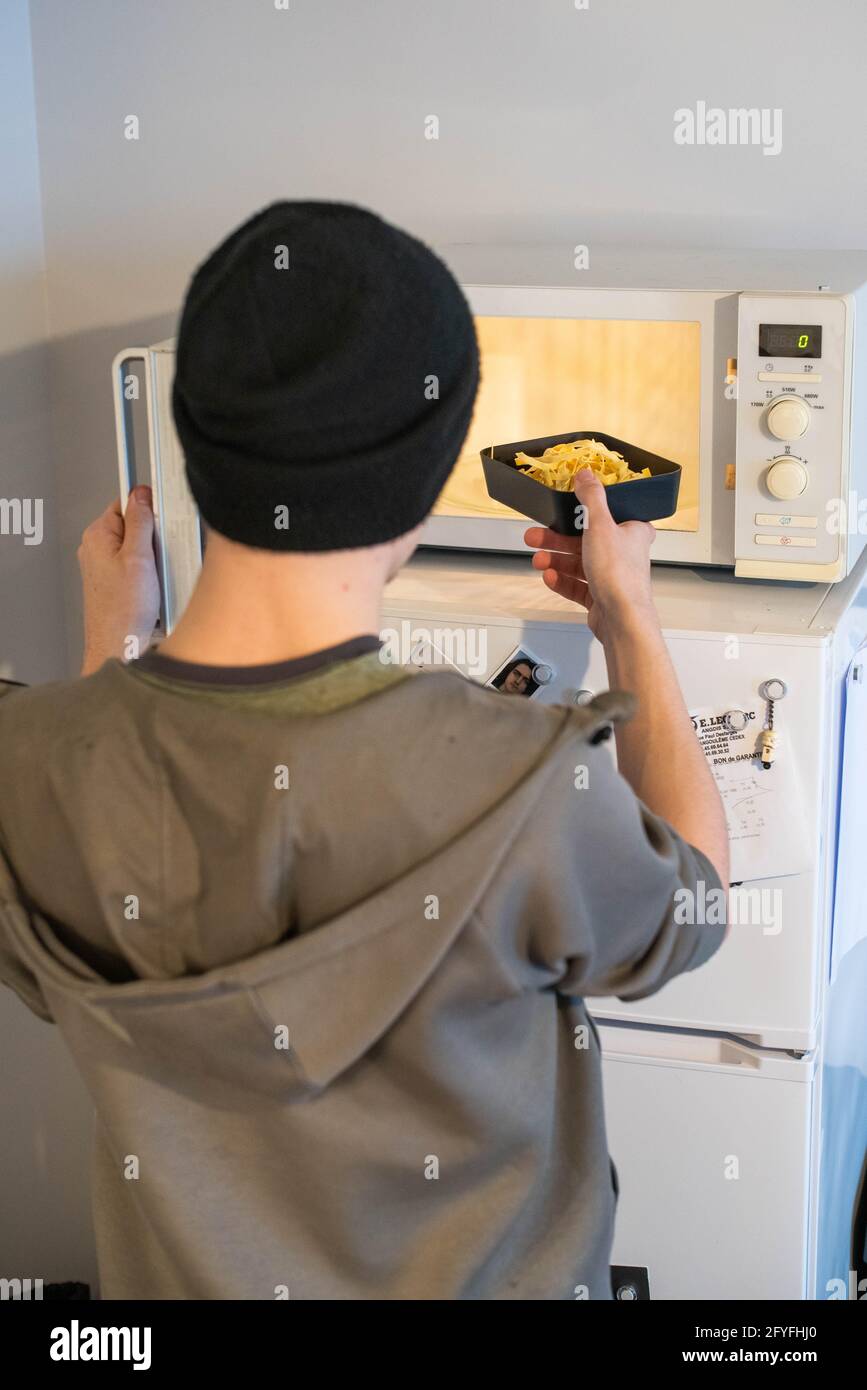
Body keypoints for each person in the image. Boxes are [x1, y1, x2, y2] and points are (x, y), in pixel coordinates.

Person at [0, 202, 728, 1301]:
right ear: (431, 478)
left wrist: (117, 643)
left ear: (193, 443)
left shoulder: (29, 768)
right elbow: (698, 906)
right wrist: (630, 621)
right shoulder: (519, 783)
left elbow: (101, 796)